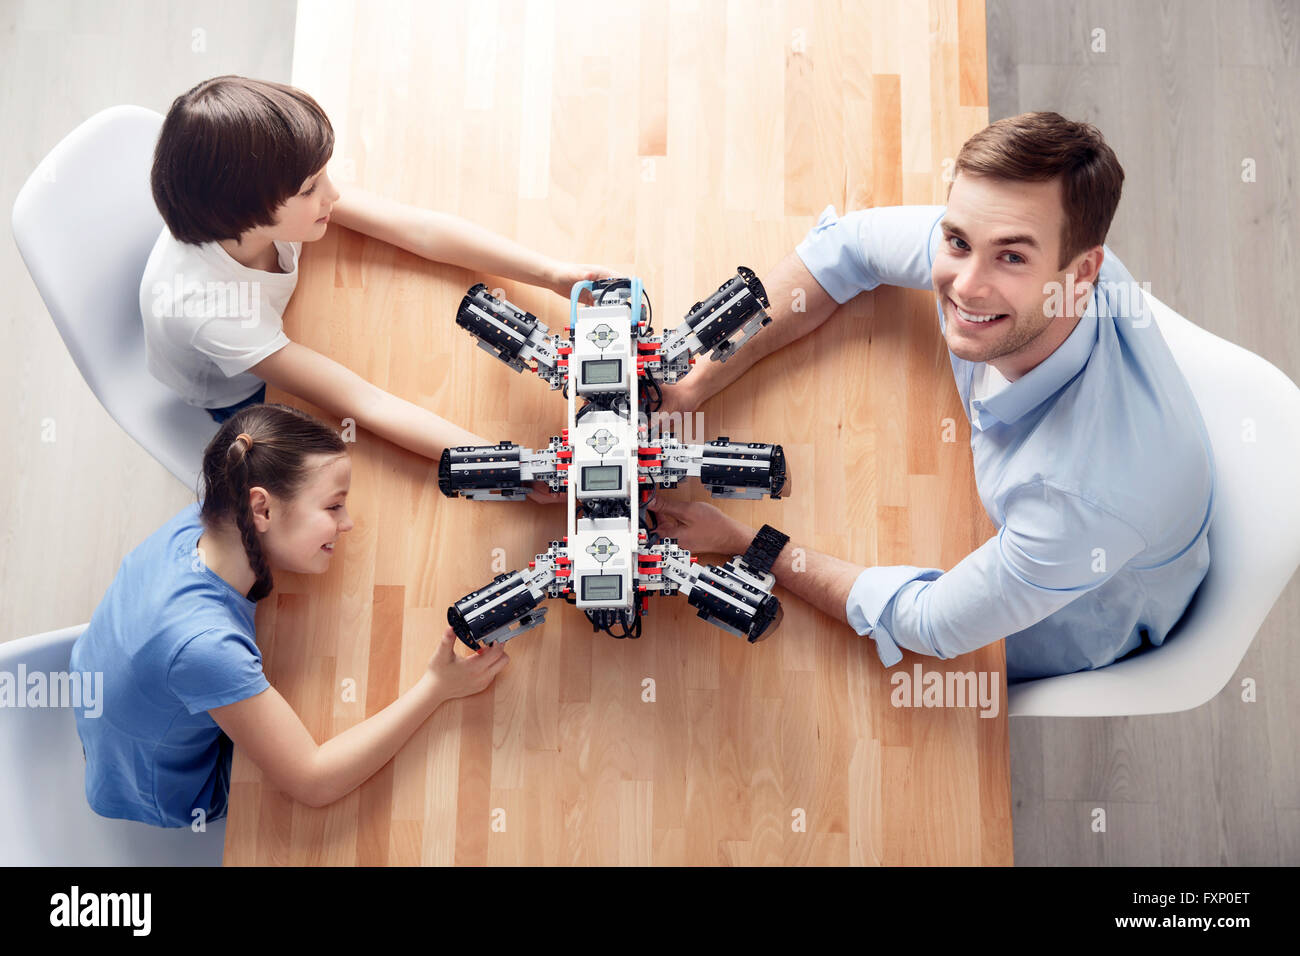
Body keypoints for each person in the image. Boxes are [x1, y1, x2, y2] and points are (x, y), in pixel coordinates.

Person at [649, 112, 1215, 683]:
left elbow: (923, 624)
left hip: (1067, 620)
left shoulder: (1075, 502)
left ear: (1083, 271)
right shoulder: (1039, 249)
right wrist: (698, 384)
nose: (967, 285)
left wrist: (744, 540)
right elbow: (845, 248)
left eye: (1011, 258)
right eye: (957, 241)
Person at [142, 75, 607, 498]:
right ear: (247, 213)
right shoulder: (214, 313)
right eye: (310, 188)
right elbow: (364, 402)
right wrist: (508, 469)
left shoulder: (261, 195)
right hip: (237, 389)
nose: (334, 194)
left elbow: (416, 229)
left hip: (266, 320)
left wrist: (551, 274)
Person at [70, 404, 510, 827]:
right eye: (333, 506)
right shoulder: (205, 646)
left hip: (112, 704)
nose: (348, 523)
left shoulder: (201, 521)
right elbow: (314, 781)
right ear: (261, 508)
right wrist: (438, 687)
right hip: (165, 788)